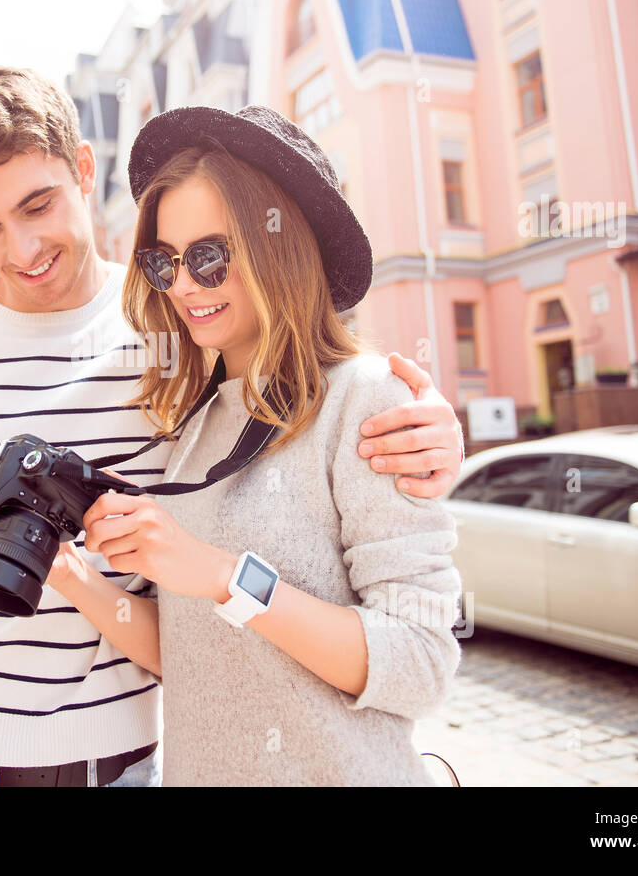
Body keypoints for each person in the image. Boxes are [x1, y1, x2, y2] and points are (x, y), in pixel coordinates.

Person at [0, 67, 464, 788]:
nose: (21, 249)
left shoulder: (175, 345)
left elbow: (307, 391)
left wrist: (421, 432)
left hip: (112, 765)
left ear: (84, 169)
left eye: (38, 204)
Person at [61, 105, 466, 785]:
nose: (185, 284)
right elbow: (195, 655)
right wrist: (66, 574)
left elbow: (422, 663)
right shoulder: (193, 424)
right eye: (165, 262)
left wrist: (226, 575)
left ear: (276, 246)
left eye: (210, 256)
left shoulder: (367, 400)